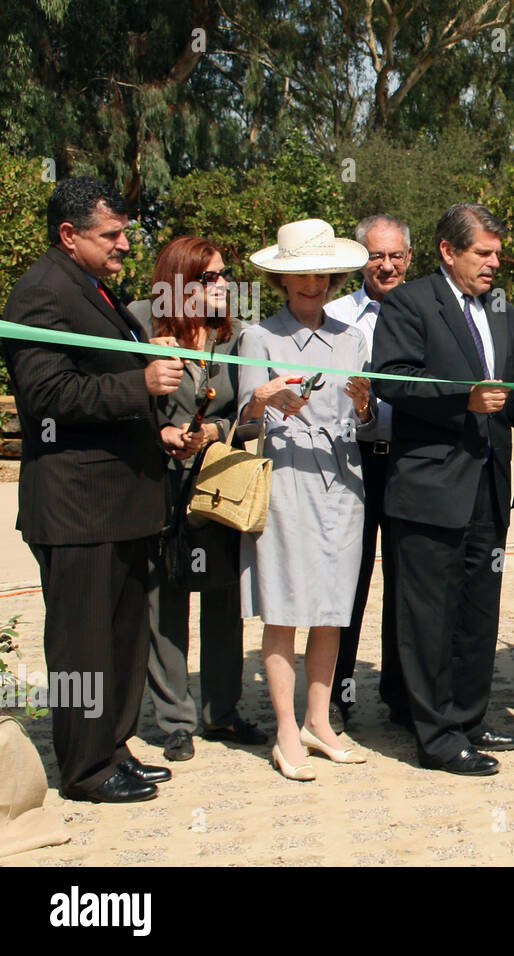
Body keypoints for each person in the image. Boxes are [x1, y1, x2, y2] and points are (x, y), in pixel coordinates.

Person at [2, 177, 193, 802]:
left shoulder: (92, 288)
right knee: (82, 647)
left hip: (122, 502)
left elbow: (102, 369)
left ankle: (113, 748)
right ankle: (85, 770)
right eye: (111, 235)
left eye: (125, 234)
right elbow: (48, 395)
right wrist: (140, 384)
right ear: (68, 235)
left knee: (120, 639)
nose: (124, 247)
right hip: (77, 505)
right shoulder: (39, 295)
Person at [372, 203, 514, 777]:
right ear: (449, 251)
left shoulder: (501, 310)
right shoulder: (410, 301)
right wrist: (461, 400)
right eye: (484, 252)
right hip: (431, 483)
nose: (495, 263)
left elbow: (513, 390)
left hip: (488, 482)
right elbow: (392, 379)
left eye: (497, 253)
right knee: (430, 614)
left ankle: (468, 716)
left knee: (478, 606)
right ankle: (436, 733)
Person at [241, 218, 377, 780]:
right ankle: (283, 730)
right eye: (301, 275)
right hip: (286, 486)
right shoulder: (258, 337)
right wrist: (261, 399)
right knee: (285, 608)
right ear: (282, 280)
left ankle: (318, 722)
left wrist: (366, 406)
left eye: (321, 274)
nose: (313, 284)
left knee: (330, 611)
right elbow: (244, 426)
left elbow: (364, 423)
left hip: (343, 486)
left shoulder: (353, 338)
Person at [134, 237, 265, 762]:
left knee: (222, 597)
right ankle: (174, 721)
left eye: (224, 275)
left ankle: (222, 713)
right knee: (163, 602)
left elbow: (252, 416)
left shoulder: (237, 339)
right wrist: (158, 434)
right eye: (209, 277)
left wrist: (214, 430)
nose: (223, 285)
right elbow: (117, 396)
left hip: (218, 484)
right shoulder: (139, 324)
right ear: (179, 284)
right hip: (156, 484)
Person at [324, 214, 412, 728]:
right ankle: (337, 693)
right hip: (352, 464)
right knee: (348, 582)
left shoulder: (426, 308)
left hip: (407, 462)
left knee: (406, 582)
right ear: (361, 259)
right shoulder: (335, 315)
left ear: (409, 257)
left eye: (395, 254)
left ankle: (401, 694)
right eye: (376, 255)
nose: (386, 264)